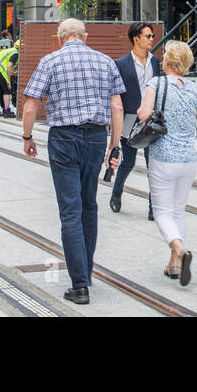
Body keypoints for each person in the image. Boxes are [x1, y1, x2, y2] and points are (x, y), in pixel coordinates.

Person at [21, 17, 124, 306]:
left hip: (63, 139)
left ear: (59, 38)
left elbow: (31, 105)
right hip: (95, 138)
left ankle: (79, 284)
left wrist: (28, 136)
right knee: (89, 205)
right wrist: (114, 145)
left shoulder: (50, 61)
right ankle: (85, 271)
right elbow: (117, 106)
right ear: (85, 36)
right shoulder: (105, 62)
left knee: (70, 210)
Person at [138, 39, 197, 286]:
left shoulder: (155, 84)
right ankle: (174, 264)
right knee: (178, 209)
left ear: (169, 61)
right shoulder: (196, 89)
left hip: (163, 154)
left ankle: (179, 249)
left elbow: (143, 114)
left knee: (162, 211)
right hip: (190, 156)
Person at [110, 22, 163, 217]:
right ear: (136, 39)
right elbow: (116, 95)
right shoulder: (120, 64)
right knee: (128, 161)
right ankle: (116, 194)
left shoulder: (156, 62)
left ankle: (152, 207)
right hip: (130, 118)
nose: (151, 39)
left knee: (153, 165)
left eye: (152, 36)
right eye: (148, 36)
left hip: (151, 120)